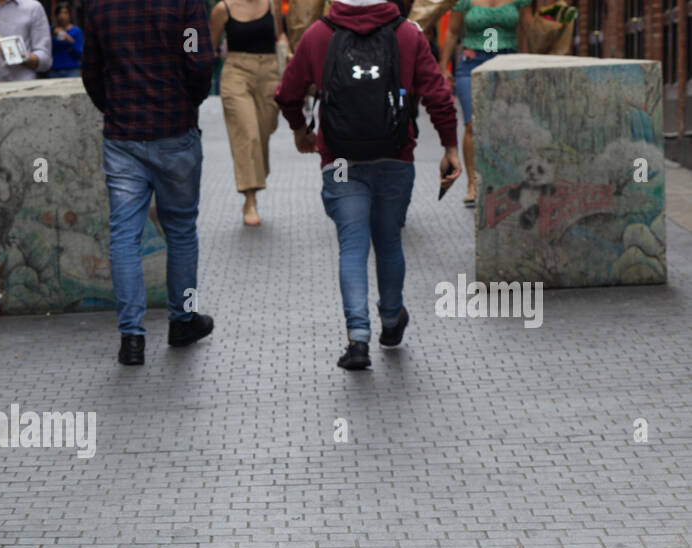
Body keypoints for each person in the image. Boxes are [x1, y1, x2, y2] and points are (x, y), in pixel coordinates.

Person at [274, 0, 460, 370]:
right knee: (389, 240)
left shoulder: (318, 34)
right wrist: (450, 147)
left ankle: (357, 338)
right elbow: (438, 95)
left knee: (352, 246)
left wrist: (301, 129)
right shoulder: (408, 33)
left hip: (341, 161)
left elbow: (287, 92)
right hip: (395, 156)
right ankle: (391, 320)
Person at [83, 0, 217, 366]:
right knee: (182, 231)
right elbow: (200, 59)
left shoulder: (99, 7)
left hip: (123, 137)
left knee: (125, 236)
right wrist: (190, 101)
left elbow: (91, 72)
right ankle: (183, 320)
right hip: (176, 132)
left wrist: (112, 108)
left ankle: (131, 338)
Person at [439, 0, 532, 206]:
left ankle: (504, 182)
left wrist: (536, 62)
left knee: (507, 126)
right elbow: (452, 32)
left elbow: (530, 31)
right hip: (472, 61)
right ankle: (473, 184)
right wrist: (443, 67)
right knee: (472, 124)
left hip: (508, 62)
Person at [211, 0, 287, 226]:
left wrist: (288, 50)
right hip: (236, 71)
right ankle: (250, 199)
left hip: (270, 71)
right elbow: (208, 47)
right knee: (248, 133)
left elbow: (280, 36)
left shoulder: (272, 4)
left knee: (264, 130)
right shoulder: (222, 9)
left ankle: (254, 177)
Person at [49, 2, 84, 77]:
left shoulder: (76, 31)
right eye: (60, 13)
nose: (62, 16)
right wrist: (53, 33)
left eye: (65, 13)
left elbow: (79, 53)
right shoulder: (52, 31)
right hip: (55, 69)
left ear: (70, 15)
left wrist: (69, 40)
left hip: (71, 69)